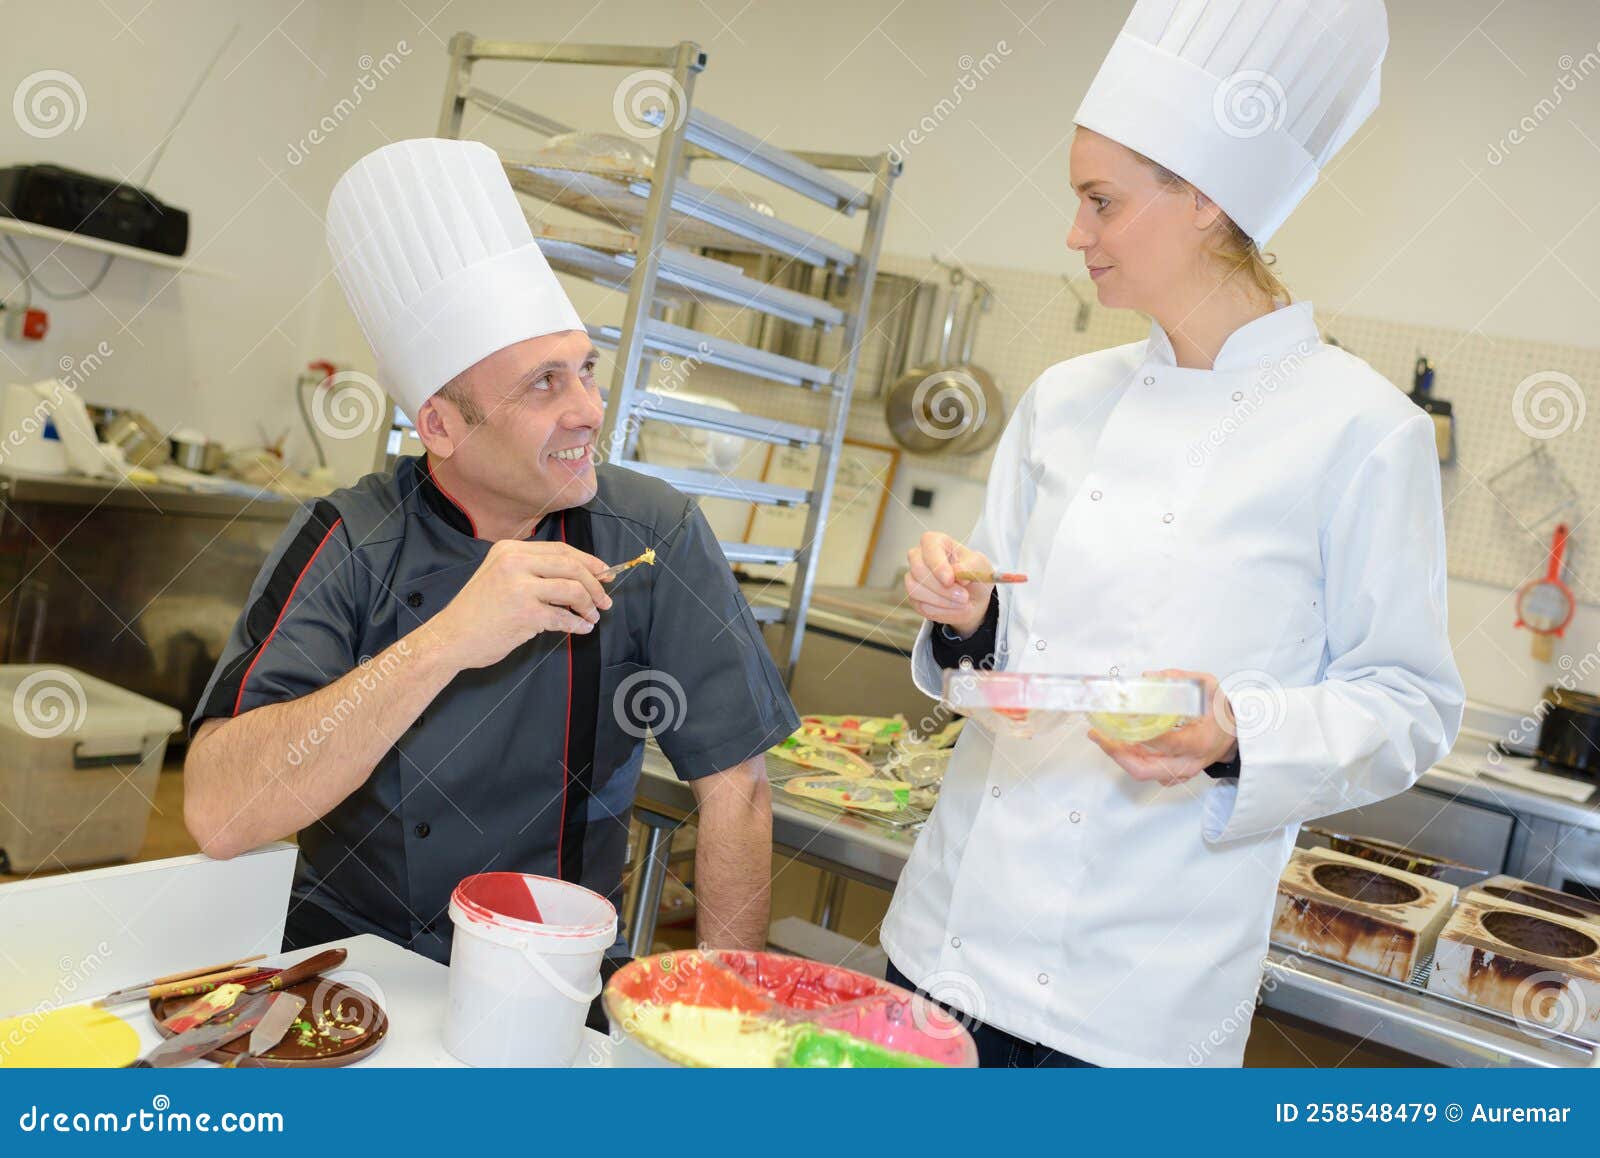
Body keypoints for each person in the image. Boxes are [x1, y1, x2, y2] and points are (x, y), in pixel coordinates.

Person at [885, 0, 1463, 1067]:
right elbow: (1004, 651)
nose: (1074, 233)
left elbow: (1409, 703)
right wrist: (973, 616)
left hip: (1133, 1009)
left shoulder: (1363, 430)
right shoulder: (1064, 399)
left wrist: (1237, 728)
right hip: (945, 948)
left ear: (1202, 199)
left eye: (1099, 201)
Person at [183, 140, 794, 997]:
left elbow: (738, 789)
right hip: (346, 963)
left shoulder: (651, 529)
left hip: (553, 972)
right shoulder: (351, 539)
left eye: (585, 369)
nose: (588, 410)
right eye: (543, 385)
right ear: (439, 426)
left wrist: (730, 1022)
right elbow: (219, 813)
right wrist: (445, 642)